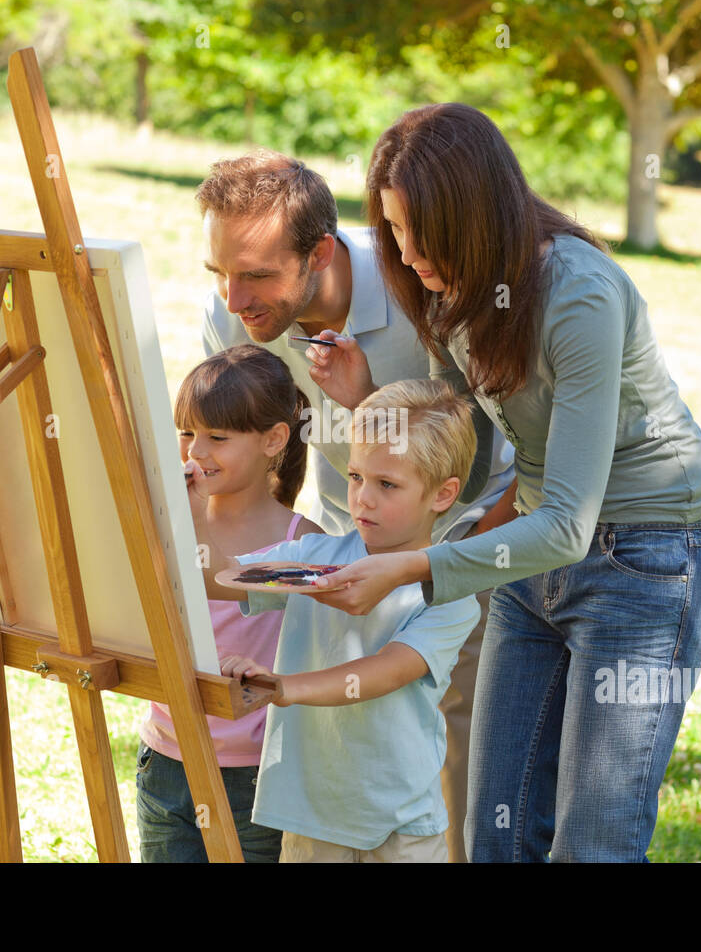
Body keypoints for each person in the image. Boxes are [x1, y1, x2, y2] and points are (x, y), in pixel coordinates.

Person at [303, 103, 701, 862]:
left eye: (422, 231)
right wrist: (368, 404)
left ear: (476, 213)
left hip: (646, 560)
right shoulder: (449, 289)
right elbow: (459, 474)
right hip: (528, 560)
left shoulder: (579, 293)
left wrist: (411, 569)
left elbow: (570, 522)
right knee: (494, 834)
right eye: (393, 229)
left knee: (591, 844)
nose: (408, 253)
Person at [196, 150, 516, 861]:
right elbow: (249, 450)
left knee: (440, 729)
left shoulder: (420, 290)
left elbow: (483, 457)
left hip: (459, 544)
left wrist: (445, 567)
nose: (232, 298)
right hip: (344, 541)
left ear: (320, 254)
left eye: (254, 274)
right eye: (219, 272)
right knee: (345, 738)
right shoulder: (234, 317)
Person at [196, 380, 480, 862]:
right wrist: (190, 511)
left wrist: (282, 687)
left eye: (386, 484)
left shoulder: (448, 591)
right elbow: (224, 578)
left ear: (443, 493)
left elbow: (385, 672)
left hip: (403, 827)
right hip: (312, 817)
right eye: (354, 477)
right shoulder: (314, 557)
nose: (363, 499)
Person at [135, 345, 322, 862]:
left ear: (274, 440)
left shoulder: (303, 542)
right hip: (166, 758)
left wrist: (185, 522)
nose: (196, 452)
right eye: (187, 434)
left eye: (217, 437)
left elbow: (227, 581)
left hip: (255, 775)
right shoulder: (169, 521)